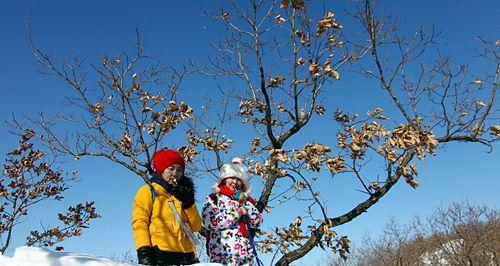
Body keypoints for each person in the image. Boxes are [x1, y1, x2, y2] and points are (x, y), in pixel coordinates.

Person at [132, 149, 202, 265]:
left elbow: (196, 226)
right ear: (161, 170)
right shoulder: (148, 191)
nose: (175, 173)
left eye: (179, 170)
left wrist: (189, 203)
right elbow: (140, 221)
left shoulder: (183, 194)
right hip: (161, 252)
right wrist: (143, 249)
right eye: (171, 168)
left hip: (187, 254)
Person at [202, 158, 264, 266]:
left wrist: (246, 205)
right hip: (222, 254)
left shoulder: (246, 201)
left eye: (238, 179)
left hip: (245, 256)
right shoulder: (214, 198)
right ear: (224, 179)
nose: (235, 182)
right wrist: (237, 213)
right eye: (231, 178)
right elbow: (209, 222)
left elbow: (258, 221)